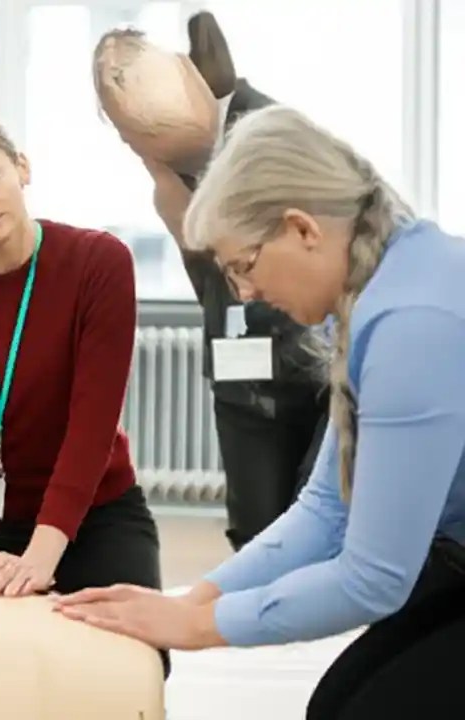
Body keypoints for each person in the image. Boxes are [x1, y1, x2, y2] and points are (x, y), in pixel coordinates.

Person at [55, 105, 465, 720]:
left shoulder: (411, 325)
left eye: (243, 266)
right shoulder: (381, 285)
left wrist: (196, 627)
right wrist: (197, 600)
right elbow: (328, 509)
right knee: (340, 702)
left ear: (302, 228)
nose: (244, 294)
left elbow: (373, 578)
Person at [0, 109, 166, 665]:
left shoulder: (99, 262)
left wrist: (43, 556)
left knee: (131, 669)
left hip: (95, 512)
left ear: (22, 167)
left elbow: (93, 425)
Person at [93, 14, 329, 551]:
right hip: (240, 373)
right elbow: (211, 276)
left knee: (315, 526)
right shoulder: (167, 172)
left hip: (314, 365)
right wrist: (166, 186)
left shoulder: (274, 130)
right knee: (255, 537)